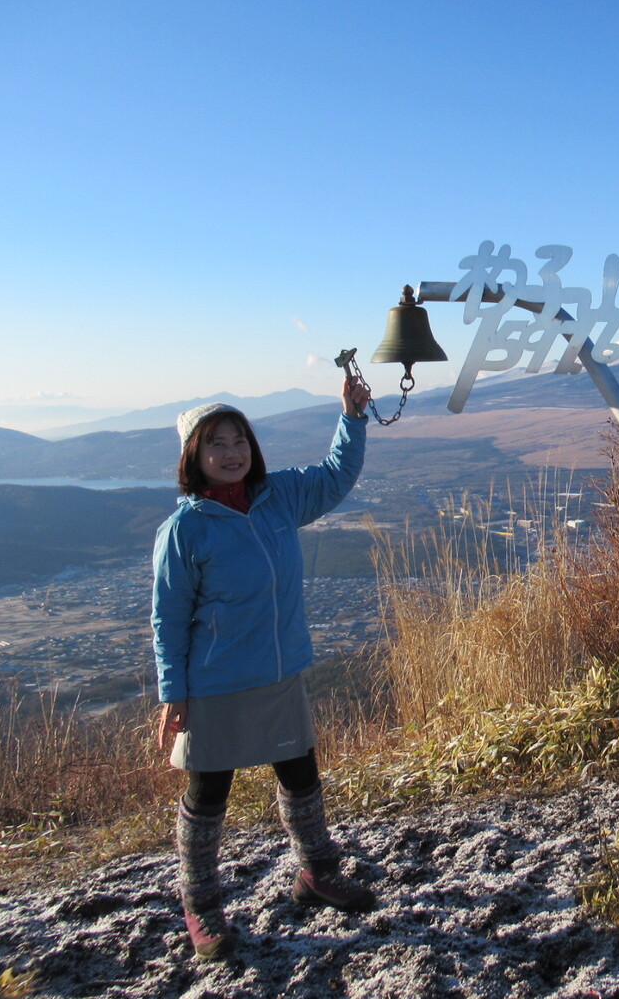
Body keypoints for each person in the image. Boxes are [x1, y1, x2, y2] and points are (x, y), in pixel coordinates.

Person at [150, 377, 372, 960]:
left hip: (279, 672)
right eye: (215, 444)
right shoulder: (185, 529)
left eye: (238, 440)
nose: (231, 453)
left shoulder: (277, 496)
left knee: (300, 774)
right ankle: (200, 904)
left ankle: (316, 872)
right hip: (217, 682)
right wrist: (173, 692)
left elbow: (333, 476)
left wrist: (351, 417)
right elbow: (168, 617)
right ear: (192, 458)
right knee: (208, 792)